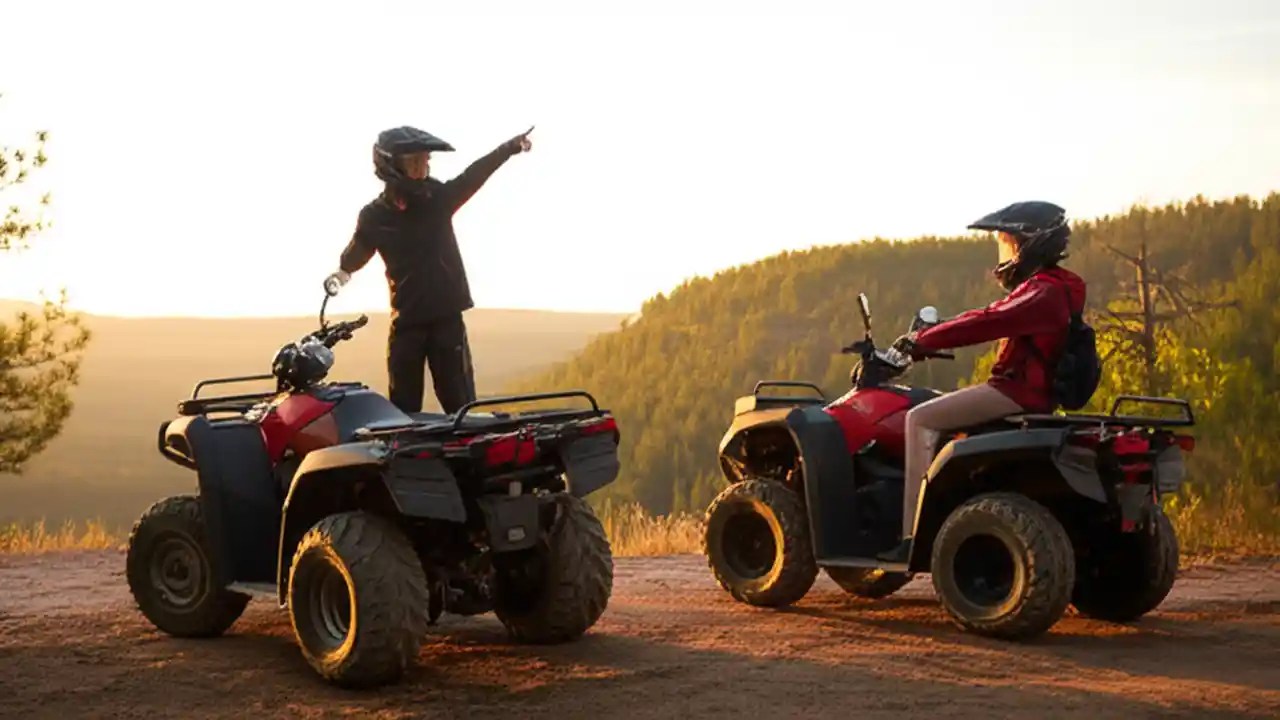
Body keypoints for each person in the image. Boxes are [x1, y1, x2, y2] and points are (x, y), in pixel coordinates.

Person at [877, 200, 1088, 563]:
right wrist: (939, 330)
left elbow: (988, 321)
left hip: (1015, 392)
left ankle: (911, 535)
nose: (1004, 251)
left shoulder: (1043, 291)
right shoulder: (1061, 287)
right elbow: (989, 315)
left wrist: (923, 339)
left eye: (1008, 242)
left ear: (1030, 243)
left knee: (919, 418)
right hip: (1032, 393)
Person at [324, 125, 534, 415]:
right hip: (407, 320)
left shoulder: (437, 198)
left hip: (446, 318)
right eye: (415, 161)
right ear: (392, 165)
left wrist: (508, 148)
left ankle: (465, 458)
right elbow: (359, 248)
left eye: (425, 160)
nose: (423, 166)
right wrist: (342, 272)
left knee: (459, 405)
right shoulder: (374, 216)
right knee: (402, 410)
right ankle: (408, 460)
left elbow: (473, 176)